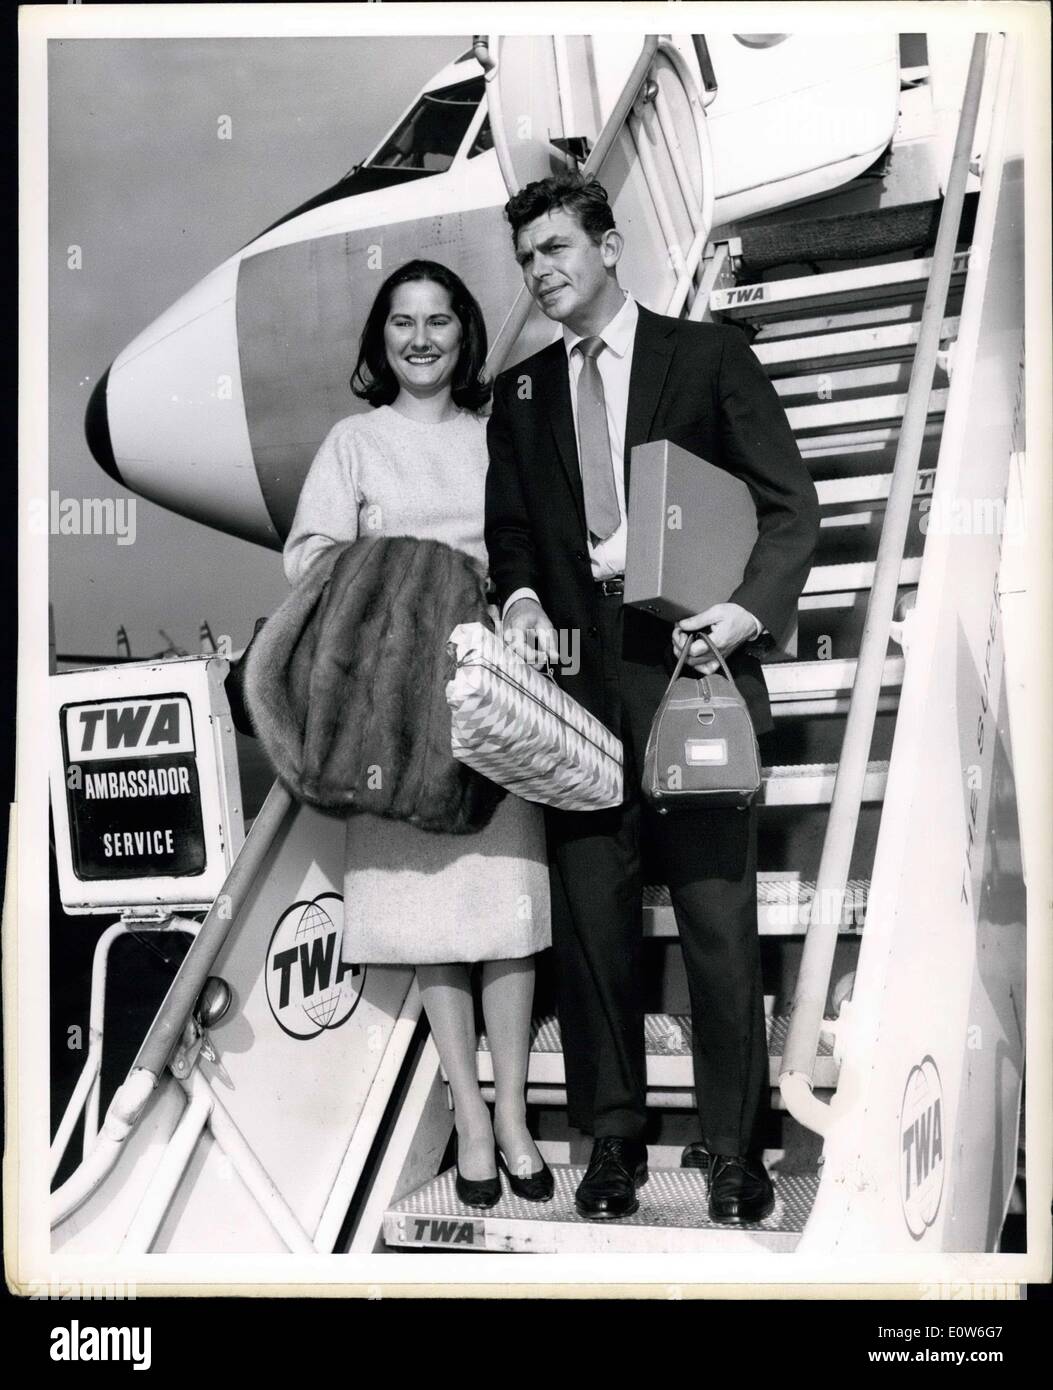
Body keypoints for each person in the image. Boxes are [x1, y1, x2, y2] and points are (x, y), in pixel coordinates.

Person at [485, 173, 820, 1224]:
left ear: (610, 244)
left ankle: (733, 1154)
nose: (541, 271)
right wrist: (527, 599)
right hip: (576, 699)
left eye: (556, 249)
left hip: (692, 676)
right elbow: (513, 539)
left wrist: (744, 613)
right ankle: (613, 1145)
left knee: (720, 923)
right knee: (594, 931)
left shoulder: (709, 356)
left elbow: (788, 508)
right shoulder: (525, 392)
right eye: (528, 257)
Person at [283, 259, 553, 1208]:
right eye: (402, 321)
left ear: (465, 334)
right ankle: (471, 1119)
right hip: (391, 705)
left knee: (508, 909)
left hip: (489, 692)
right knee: (437, 913)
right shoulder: (353, 444)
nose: (422, 337)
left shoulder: (497, 437)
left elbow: (529, 547)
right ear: (379, 339)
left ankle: (516, 1115)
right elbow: (308, 557)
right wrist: (407, 574)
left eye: (440, 320)